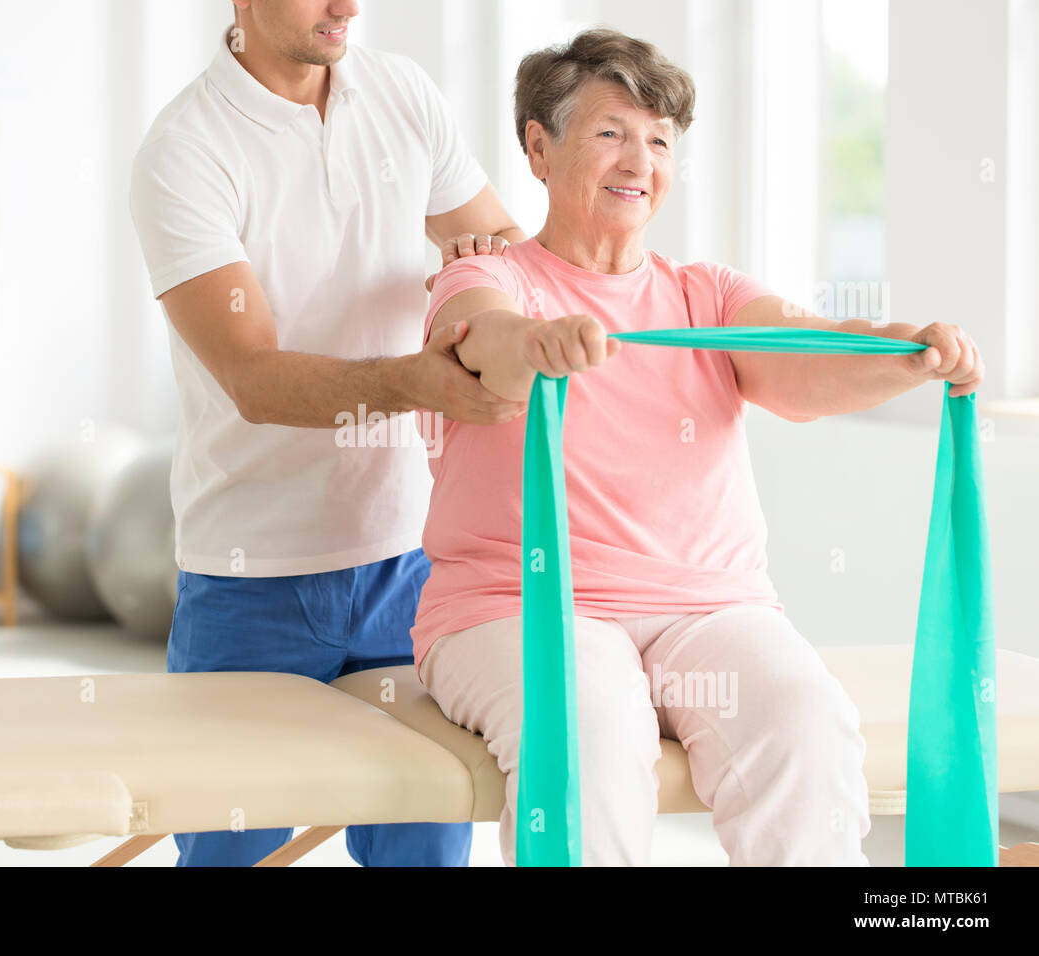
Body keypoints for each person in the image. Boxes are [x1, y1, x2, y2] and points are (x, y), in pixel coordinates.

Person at [411, 27, 984, 866]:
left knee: (806, 723)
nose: (638, 160)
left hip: (709, 609)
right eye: (610, 133)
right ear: (539, 148)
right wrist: (535, 347)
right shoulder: (493, 279)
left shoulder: (704, 295)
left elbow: (808, 355)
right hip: (519, 604)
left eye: (659, 140)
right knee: (593, 733)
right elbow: (479, 345)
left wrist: (910, 354)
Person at [128, 0, 527, 866]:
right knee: (232, 852)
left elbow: (498, 243)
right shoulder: (185, 150)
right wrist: (419, 382)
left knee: (424, 849)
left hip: (412, 561)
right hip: (250, 579)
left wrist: (480, 302)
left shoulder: (403, 93)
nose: (347, 6)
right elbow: (254, 378)